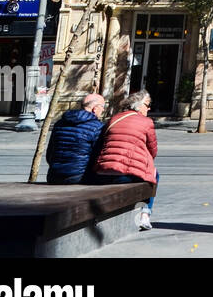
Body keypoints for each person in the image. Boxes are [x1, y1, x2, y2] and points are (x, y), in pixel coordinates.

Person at [88, 89, 158, 230]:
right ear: (138, 105)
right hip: (125, 176)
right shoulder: (146, 122)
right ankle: (144, 215)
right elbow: (153, 151)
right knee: (153, 175)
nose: (149, 108)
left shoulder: (113, 119)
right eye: (147, 104)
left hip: (102, 173)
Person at [45, 93, 106, 184]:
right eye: (102, 107)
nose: (103, 110)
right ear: (95, 108)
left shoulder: (60, 123)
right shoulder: (97, 127)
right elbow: (97, 157)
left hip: (53, 176)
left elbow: (50, 153)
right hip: (81, 177)